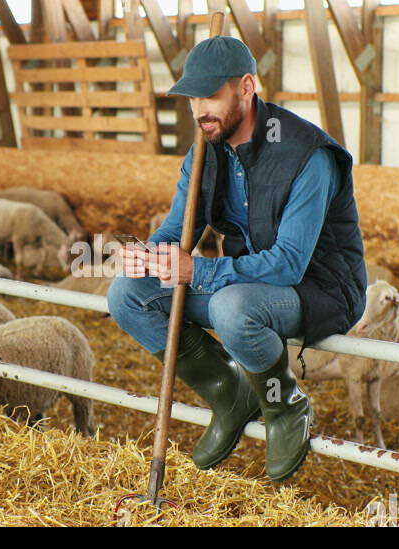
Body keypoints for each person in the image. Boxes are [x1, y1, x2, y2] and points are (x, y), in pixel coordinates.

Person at [106, 35, 367, 482]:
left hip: (320, 290)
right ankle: (229, 393)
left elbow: (287, 264)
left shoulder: (307, 156)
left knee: (233, 307)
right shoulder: (205, 150)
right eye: (192, 98)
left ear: (246, 87)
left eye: (210, 96)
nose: (198, 110)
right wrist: (148, 254)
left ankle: (285, 405)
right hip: (245, 286)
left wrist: (198, 270)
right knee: (129, 294)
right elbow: (177, 230)